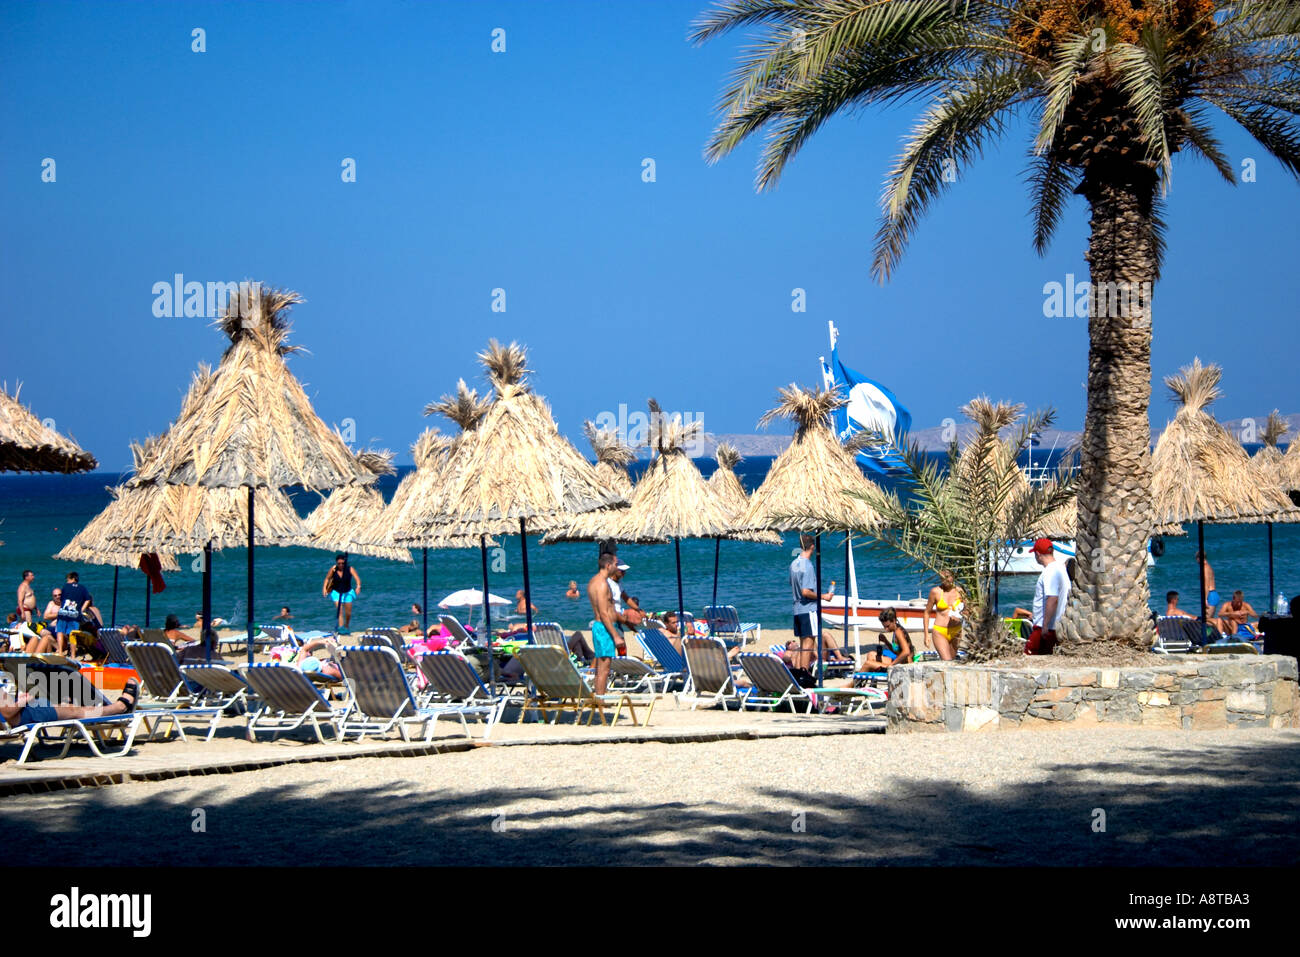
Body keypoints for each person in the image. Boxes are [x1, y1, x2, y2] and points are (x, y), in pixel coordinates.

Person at [1, 679, 139, 729]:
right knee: (76, 712)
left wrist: (18, 701)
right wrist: (22, 701)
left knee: (71, 707)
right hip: (28, 714)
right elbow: (7, 713)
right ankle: (120, 707)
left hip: (26, 712)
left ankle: (63, 704)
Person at [789, 535, 837, 672]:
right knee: (808, 645)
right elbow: (805, 592)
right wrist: (824, 596)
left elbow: (794, 586)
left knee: (803, 644)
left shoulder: (793, 564)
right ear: (812, 547)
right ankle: (804, 673)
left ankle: (799, 673)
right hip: (808, 609)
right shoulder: (808, 566)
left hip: (797, 609)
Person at [586, 552, 621, 694]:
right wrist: (615, 635)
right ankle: (601, 699)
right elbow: (603, 613)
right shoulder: (601, 584)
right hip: (604, 629)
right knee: (604, 669)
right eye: (616, 564)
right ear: (608, 565)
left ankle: (599, 698)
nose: (617, 567)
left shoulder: (593, 581)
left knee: (601, 668)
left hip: (599, 627)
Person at [1027, 539, 1070, 655]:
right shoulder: (1061, 568)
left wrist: (1045, 625)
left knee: (1029, 657)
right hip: (1055, 626)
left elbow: (1052, 598)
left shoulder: (1050, 571)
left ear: (1038, 554)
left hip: (1044, 628)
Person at [923, 569, 965, 660]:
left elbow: (967, 609)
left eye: (947, 577)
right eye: (942, 578)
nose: (945, 580)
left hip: (956, 631)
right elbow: (927, 613)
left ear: (953, 576)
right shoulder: (936, 592)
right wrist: (926, 635)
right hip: (940, 631)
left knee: (952, 661)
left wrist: (961, 613)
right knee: (947, 660)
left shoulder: (960, 591)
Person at [55, 572, 93, 657]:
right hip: (75, 614)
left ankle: (60, 652)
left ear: (72, 578)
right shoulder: (82, 588)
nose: (67, 581)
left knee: (60, 631)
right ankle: (73, 655)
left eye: (68, 579)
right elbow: (87, 600)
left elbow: (61, 599)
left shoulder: (65, 586)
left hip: (63, 613)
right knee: (73, 635)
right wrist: (82, 609)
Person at [322, 554, 361, 633]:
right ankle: (340, 628)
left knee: (348, 613)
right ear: (336, 563)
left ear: (345, 562)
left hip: (347, 592)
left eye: (342, 563)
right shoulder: (333, 569)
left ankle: (346, 626)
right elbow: (327, 579)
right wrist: (324, 588)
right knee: (339, 610)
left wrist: (358, 586)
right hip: (336, 592)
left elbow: (357, 579)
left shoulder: (350, 569)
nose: (341, 565)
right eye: (339, 563)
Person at [1196, 551, 1221, 631]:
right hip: (1212, 594)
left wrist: (1205, 599)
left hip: (1210, 595)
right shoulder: (1208, 567)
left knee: (1207, 620)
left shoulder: (1205, 568)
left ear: (1199, 558)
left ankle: (1220, 627)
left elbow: (1206, 585)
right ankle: (1211, 635)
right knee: (1208, 620)